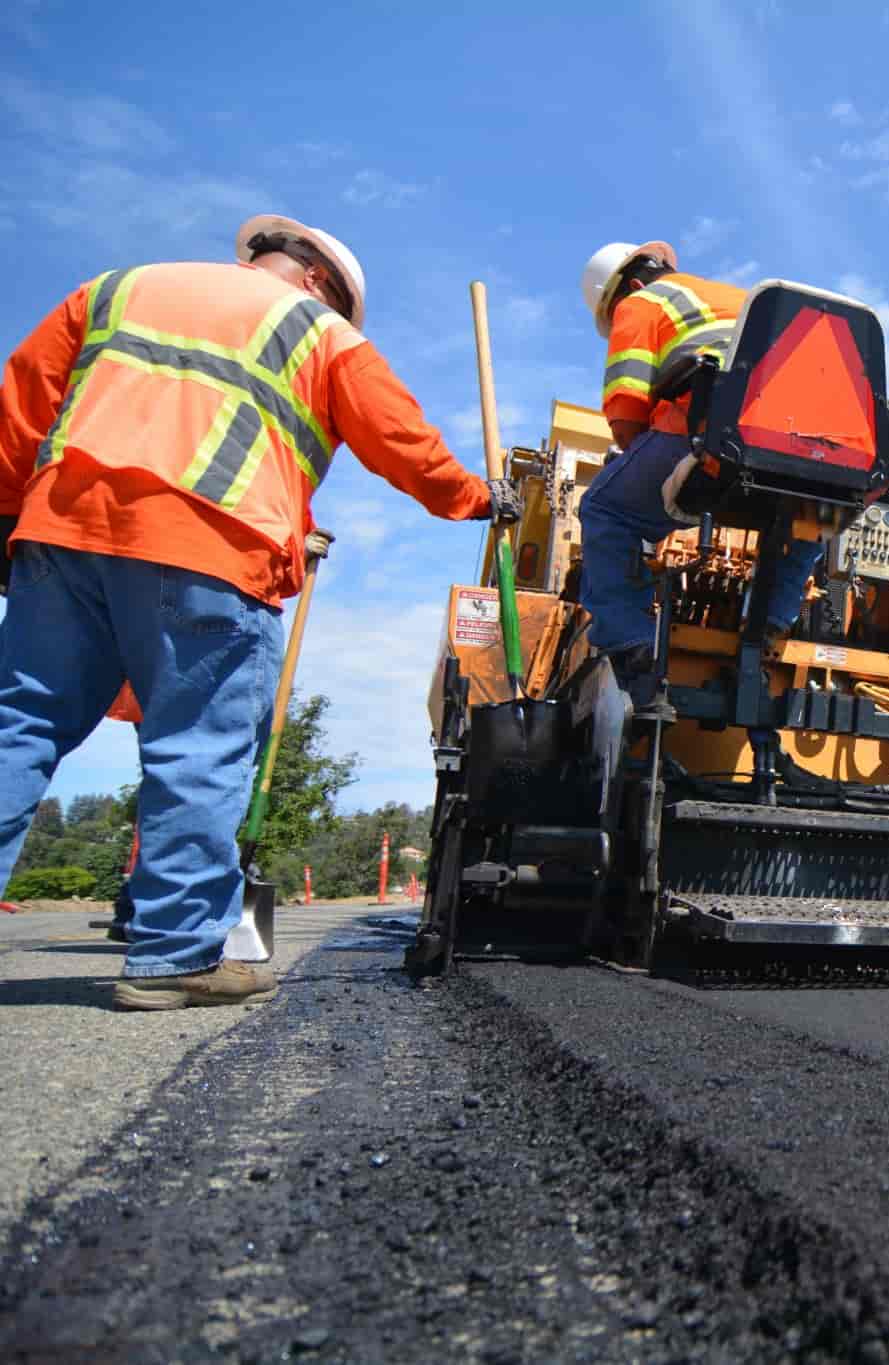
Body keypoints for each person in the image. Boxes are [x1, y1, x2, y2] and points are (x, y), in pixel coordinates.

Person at [0, 214, 519, 1009]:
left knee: (19, 727)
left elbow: (21, 405)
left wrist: (8, 519)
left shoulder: (116, 288)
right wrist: (478, 498)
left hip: (63, 535)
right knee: (199, 747)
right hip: (209, 545)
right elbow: (401, 439)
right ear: (318, 281)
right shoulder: (319, 330)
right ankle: (174, 953)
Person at [575, 242, 822, 701]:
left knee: (605, 509)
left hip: (712, 432)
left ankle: (631, 643)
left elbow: (627, 410)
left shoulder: (642, 301)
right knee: (811, 515)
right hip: (808, 446)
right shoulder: (738, 297)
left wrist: (639, 470)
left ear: (630, 286)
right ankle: (770, 621)